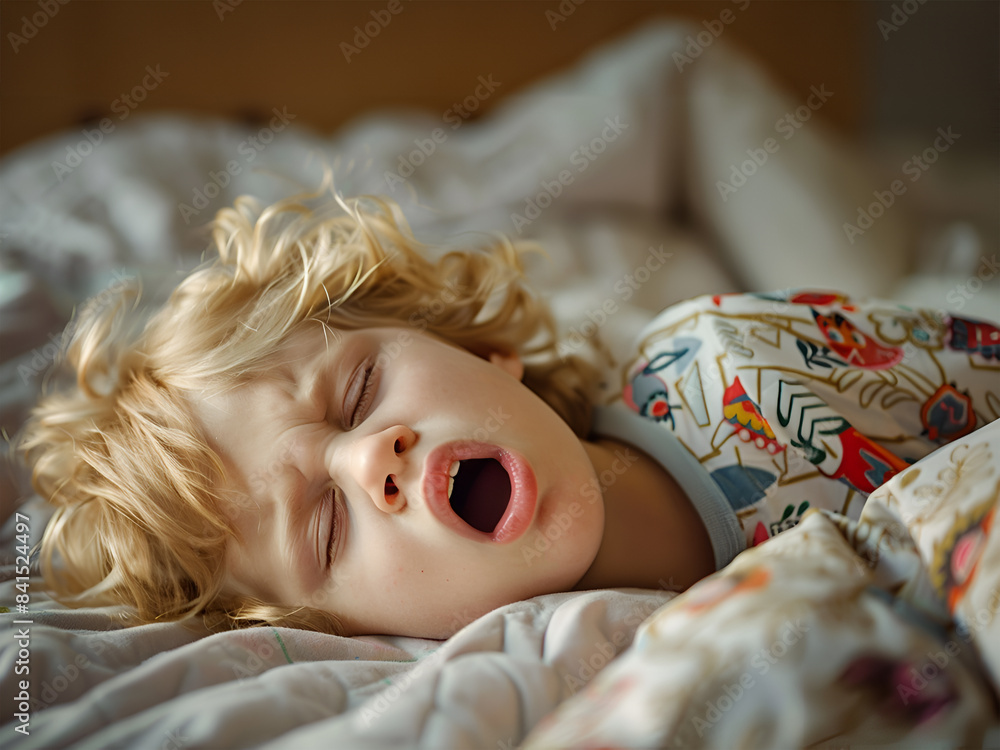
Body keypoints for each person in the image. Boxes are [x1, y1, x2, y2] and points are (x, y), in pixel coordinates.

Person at [19, 179, 999, 640]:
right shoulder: (557, 668)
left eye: (358, 392)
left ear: (484, 354)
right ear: (351, 629)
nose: (372, 463)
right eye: (325, 528)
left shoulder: (727, 361)